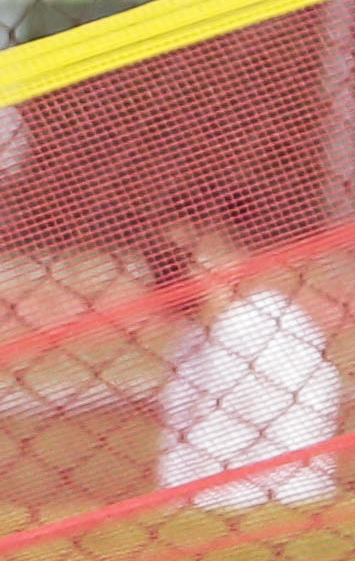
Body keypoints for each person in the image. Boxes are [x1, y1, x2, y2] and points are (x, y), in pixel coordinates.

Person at [146, 207, 342, 510]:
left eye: (180, 267)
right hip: (200, 513)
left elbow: (287, 437)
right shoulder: (193, 338)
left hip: (273, 504)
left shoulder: (265, 325)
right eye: (162, 268)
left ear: (230, 266)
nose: (167, 280)